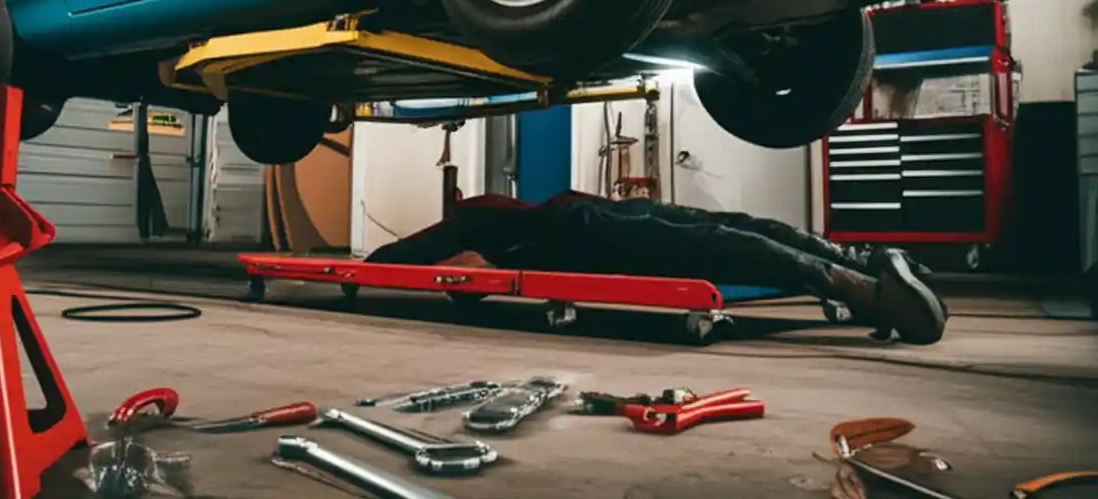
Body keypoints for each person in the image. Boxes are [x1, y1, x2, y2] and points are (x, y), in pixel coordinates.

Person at [367, 192, 948, 345]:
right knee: (717, 238)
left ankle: (862, 269)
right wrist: (470, 270)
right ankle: (865, 283)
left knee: (733, 227)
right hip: (578, 233)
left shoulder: (470, 223)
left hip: (585, 218)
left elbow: (386, 262)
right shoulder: (469, 230)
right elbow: (387, 266)